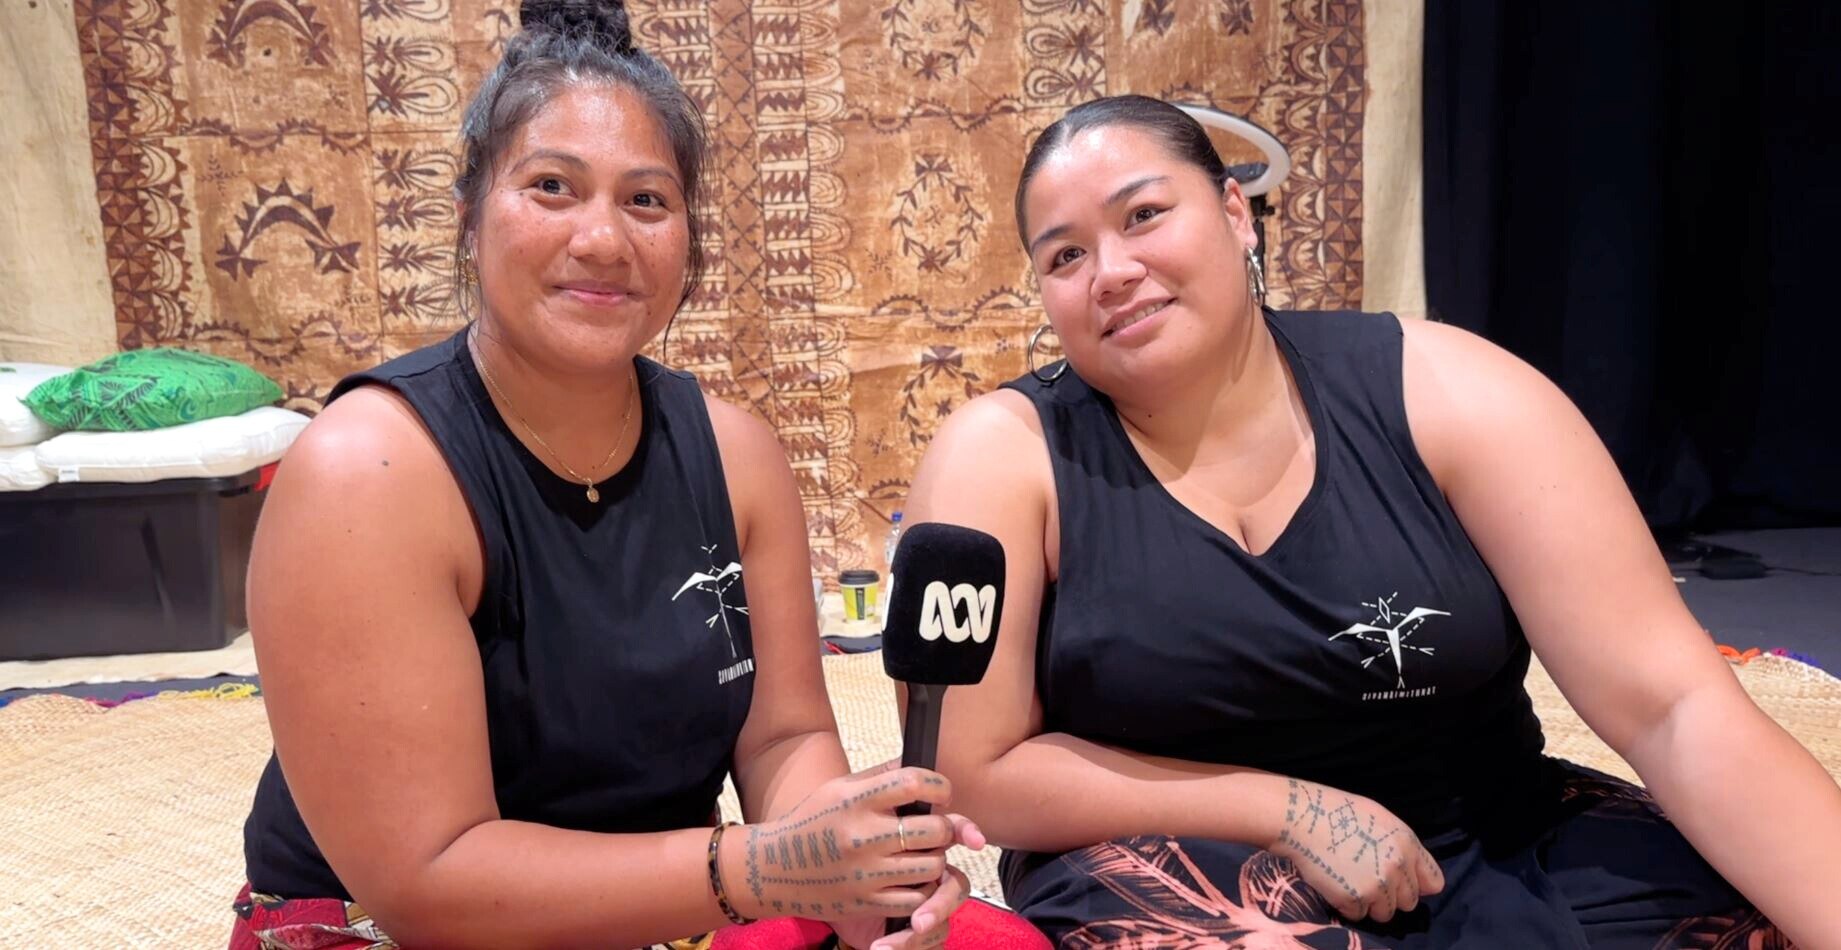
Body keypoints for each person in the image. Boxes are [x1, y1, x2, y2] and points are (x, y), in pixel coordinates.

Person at [902, 94, 1841, 947]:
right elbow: (972, 772)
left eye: (1144, 215)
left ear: (1235, 214)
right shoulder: (998, 455)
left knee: (1766, 904)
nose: (1111, 270)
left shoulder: (1449, 389)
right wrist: (1289, 809)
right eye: (1064, 255)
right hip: (1172, 865)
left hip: (1486, 836)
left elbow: (1673, 706)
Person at [230, 3, 1028, 948]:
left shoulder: (734, 454)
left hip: (677, 901)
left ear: (688, 240)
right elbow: (427, 881)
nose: (604, 240)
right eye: (553, 187)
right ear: (469, 218)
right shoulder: (367, 469)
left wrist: (847, 871)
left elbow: (779, 740)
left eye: (646, 201)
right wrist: (769, 869)